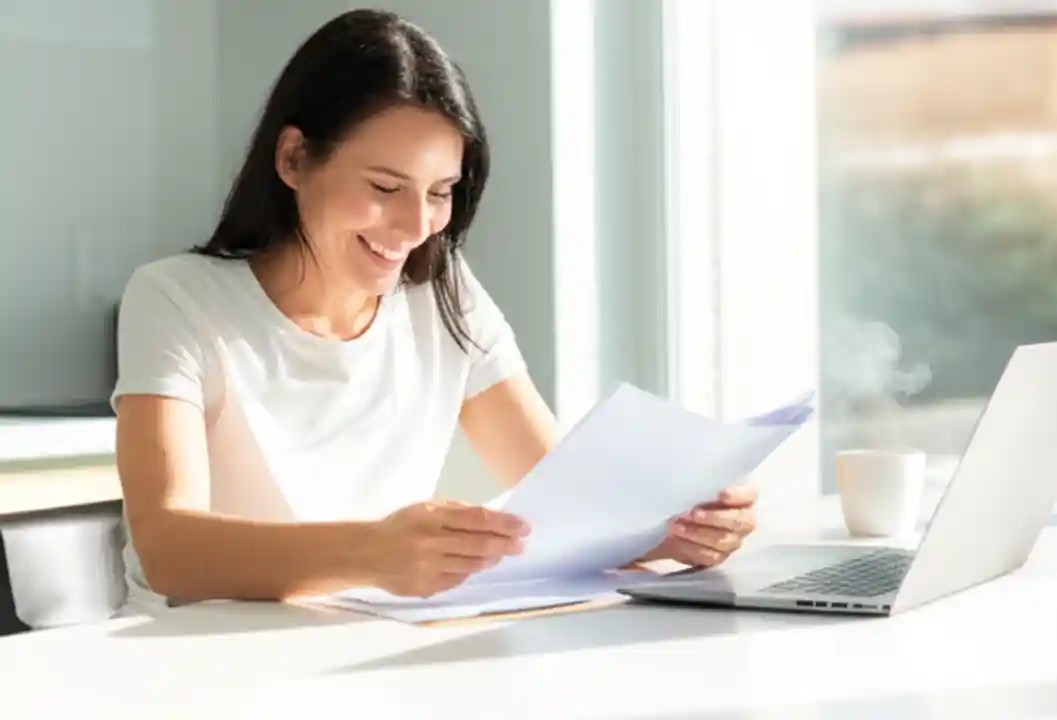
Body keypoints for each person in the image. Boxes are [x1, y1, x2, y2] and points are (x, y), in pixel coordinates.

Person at [112, 8, 757, 607]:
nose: (415, 224)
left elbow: (561, 498)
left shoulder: (441, 293)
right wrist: (371, 552)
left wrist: (667, 531)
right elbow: (168, 547)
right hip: (200, 665)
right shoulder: (176, 299)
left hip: (369, 658)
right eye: (385, 187)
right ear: (293, 158)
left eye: (440, 192)